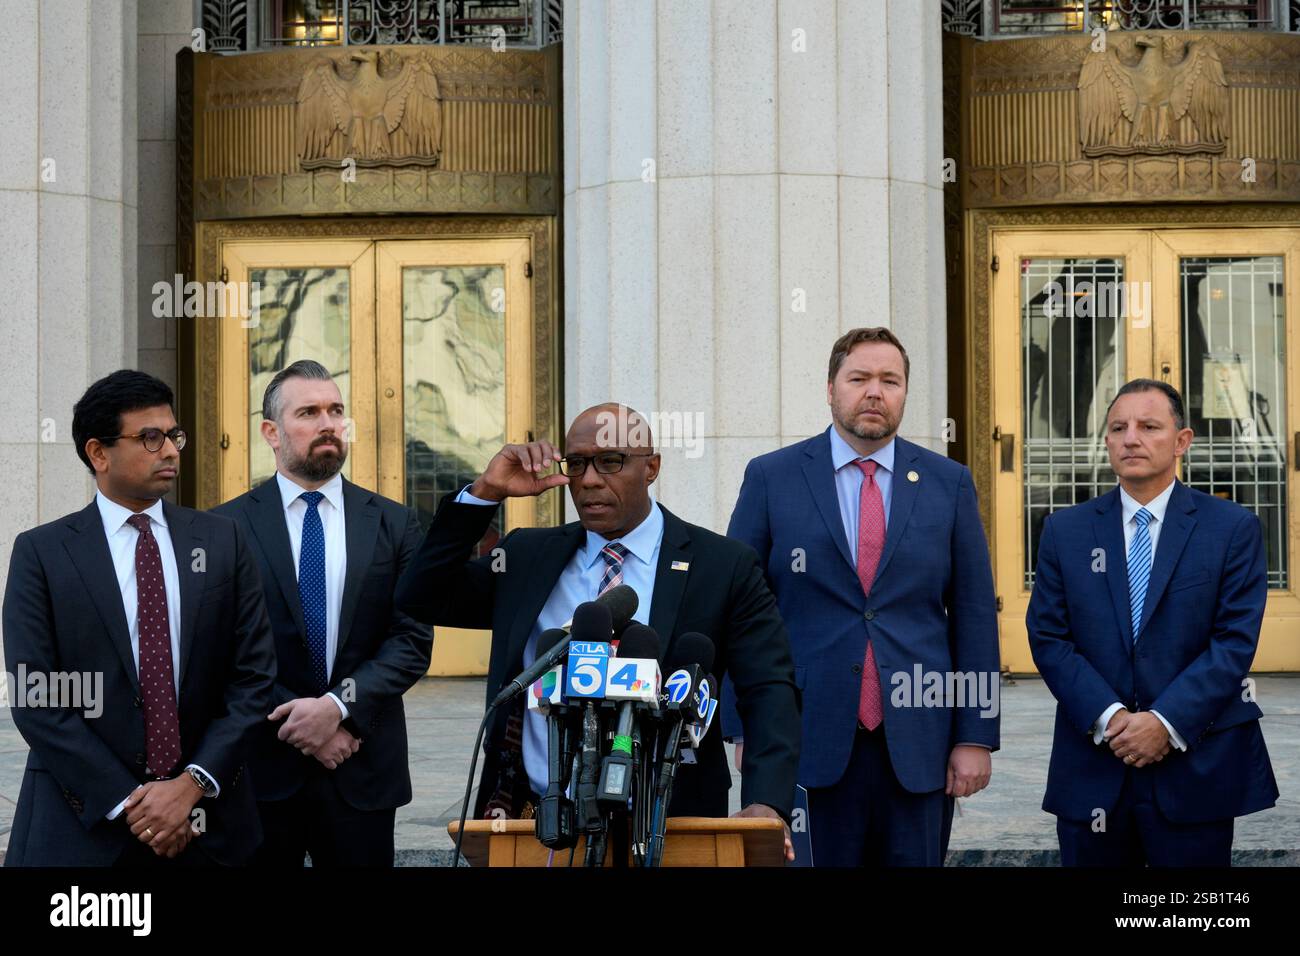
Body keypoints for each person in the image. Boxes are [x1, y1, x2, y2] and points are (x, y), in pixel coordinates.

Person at [394, 403, 801, 857]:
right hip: (538, 823)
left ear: (652, 467)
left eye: (611, 462)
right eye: (578, 463)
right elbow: (420, 596)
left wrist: (765, 800)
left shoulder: (722, 566)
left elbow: (768, 688)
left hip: (672, 820)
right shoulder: (527, 557)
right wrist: (484, 493)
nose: (589, 480)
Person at [724, 327, 1000, 866]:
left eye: (889, 380)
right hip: (801, 738)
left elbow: (971, 616)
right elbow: (740, 610)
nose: (875, 392)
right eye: (859, 378)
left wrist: (976, 734)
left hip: (920, 740)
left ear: (903, 393)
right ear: (831, 389)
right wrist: (744, 725)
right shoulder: (772, 477)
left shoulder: (950, 483)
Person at [2, 370, 275, 866]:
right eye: (150, 438)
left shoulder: (221, 541)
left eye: (174, 436)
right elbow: (36, 695)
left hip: (209, 827)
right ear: (98, 453)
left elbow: (254, 678)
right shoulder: (42, 553)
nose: (170, 450)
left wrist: (190, 786)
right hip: (81, 828)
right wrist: (134, 805)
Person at [1027, 378, 1278, 866]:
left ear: (1182, 441)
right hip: (1094, 765)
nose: (1130, 439)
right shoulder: (1066, 531)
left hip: (1195, 766)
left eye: (1148, 426)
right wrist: (1113, 718)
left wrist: (1164, 723)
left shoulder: (1231, 529)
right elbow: (1050, 638)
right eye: (1118, 428)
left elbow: (1233, 642)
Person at [212, 360, 432, 867]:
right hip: (261, 770)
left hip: (362, 762)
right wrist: (302, 721)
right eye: (308, 412)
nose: (328, 423)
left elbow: (410, 641)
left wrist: (338, 711)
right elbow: (221, 648)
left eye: (335, 410)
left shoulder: (395, 524)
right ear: (271, 431)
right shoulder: (223, 529)